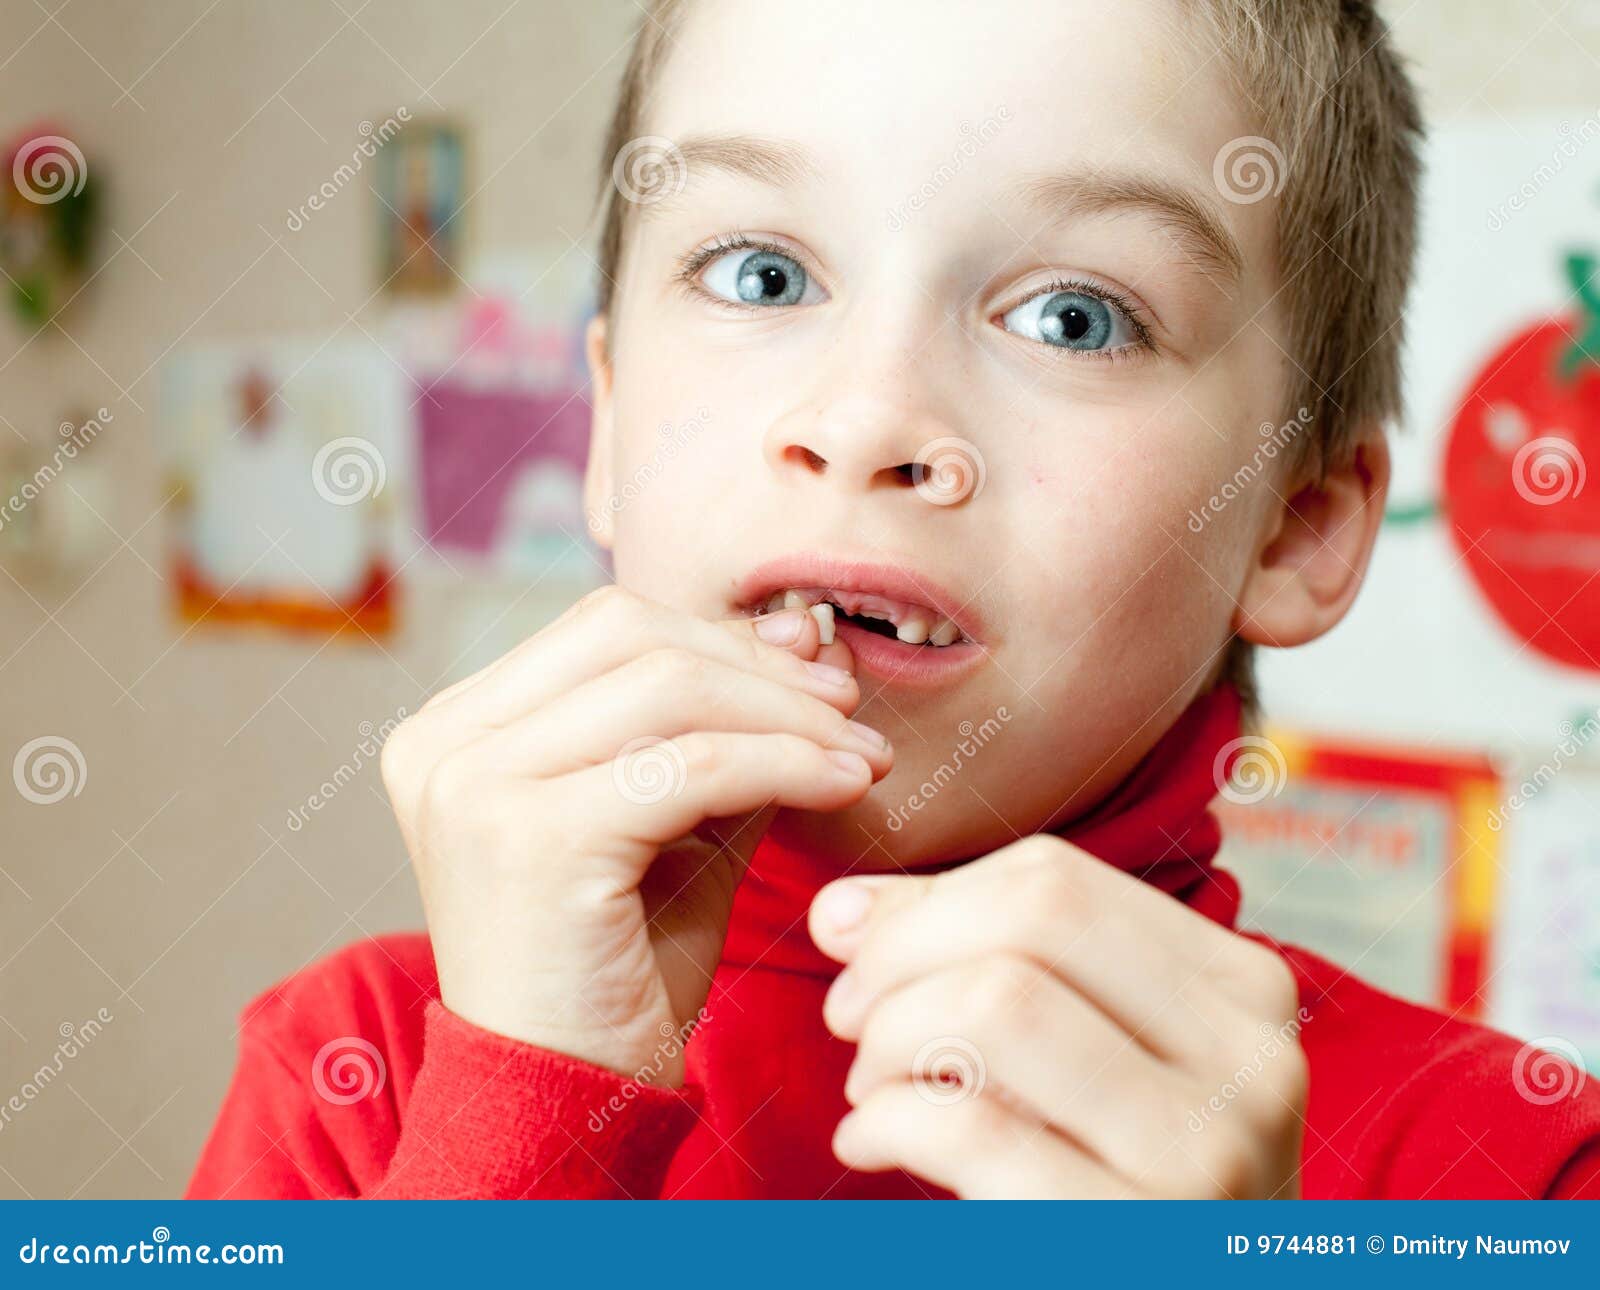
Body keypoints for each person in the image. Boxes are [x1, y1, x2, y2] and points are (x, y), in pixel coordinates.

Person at [188, 0, 1600, 1199]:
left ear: (1297, 524)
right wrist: (518, 1137)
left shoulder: (1515, 1166)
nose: (866, 421)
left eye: (1075, 317)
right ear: (606, 429)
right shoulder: (354, 1087)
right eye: (762, 273)